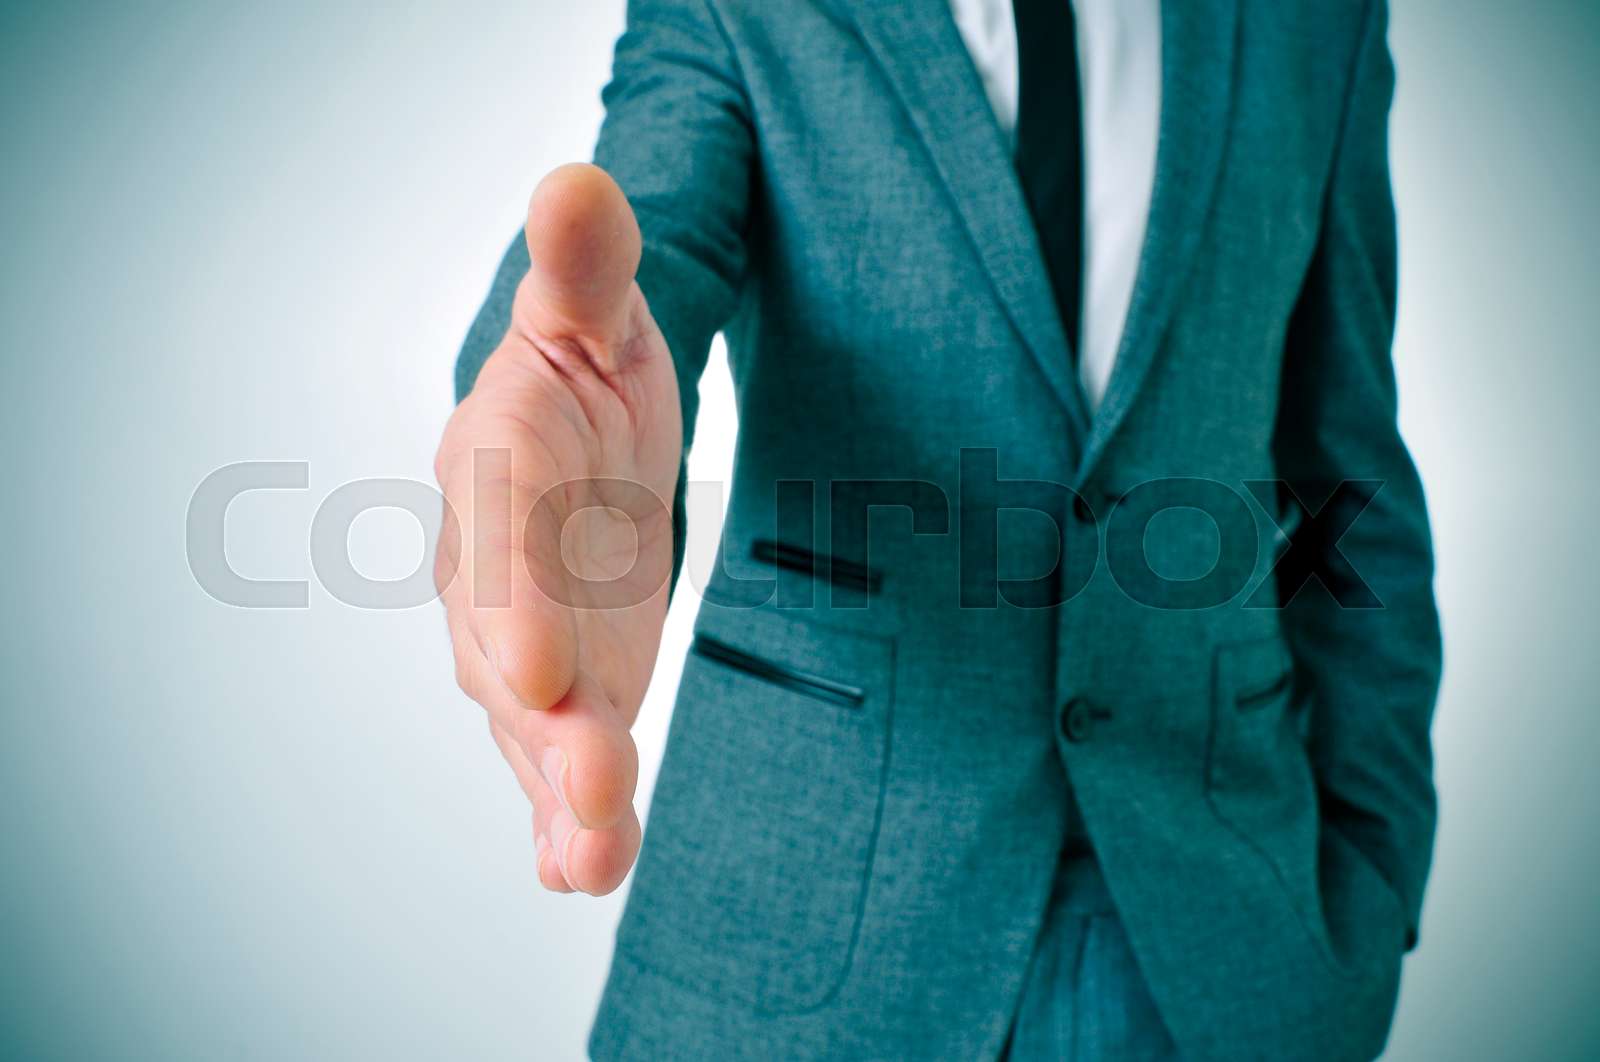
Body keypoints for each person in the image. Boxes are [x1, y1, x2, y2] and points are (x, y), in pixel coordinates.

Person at [434, 0, 1442, 1058]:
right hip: (802, 925)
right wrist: (561, 414)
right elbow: (639, 259)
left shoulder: (1313, 22)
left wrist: (1378, 871)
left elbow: (1348, 476)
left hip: (1221, 934)